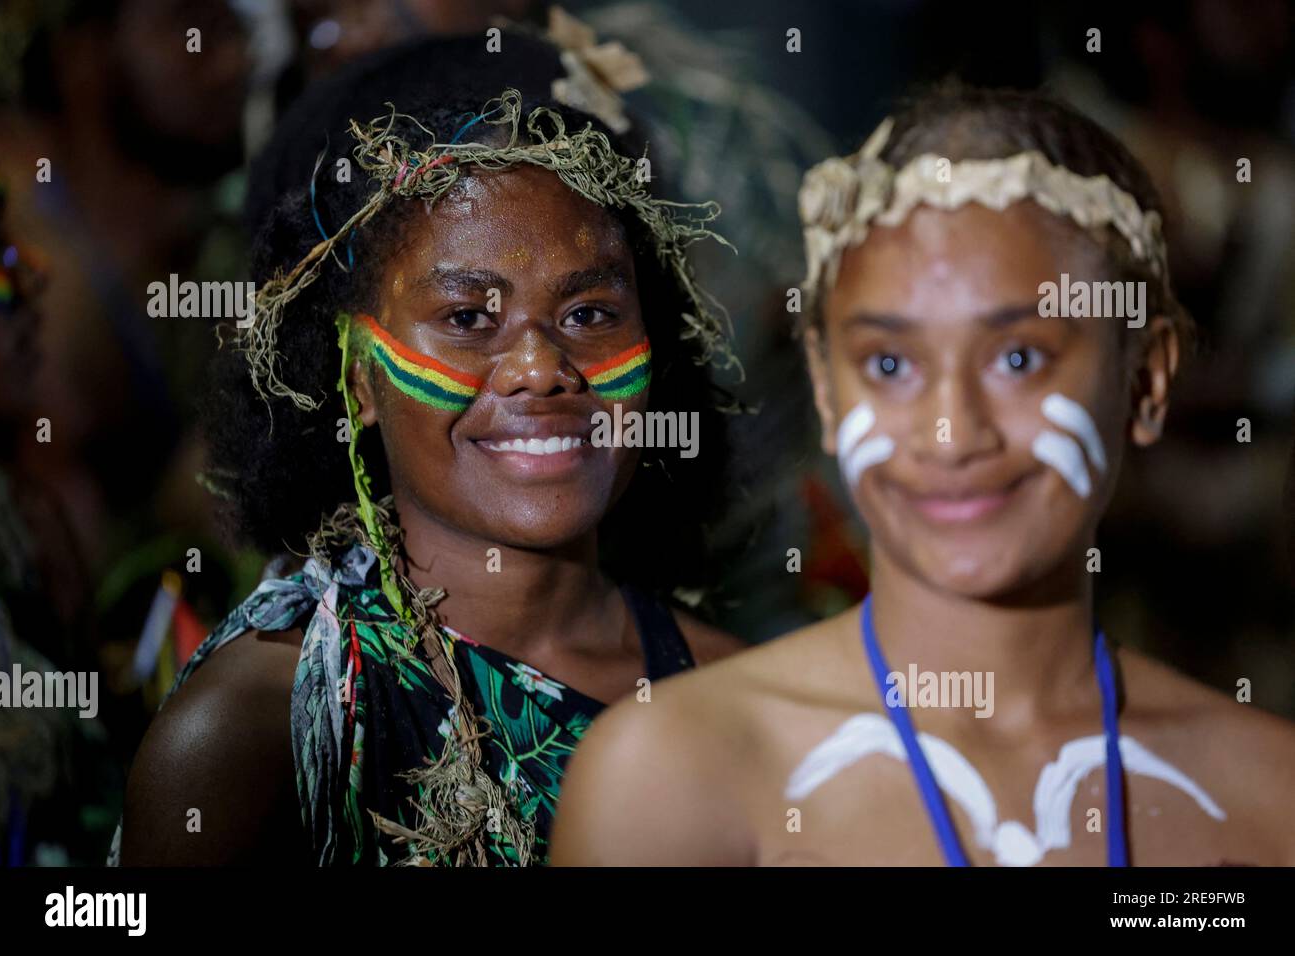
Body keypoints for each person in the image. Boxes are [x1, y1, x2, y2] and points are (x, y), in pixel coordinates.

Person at [552, 84, 1295, 867]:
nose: (953, 432)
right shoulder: (676, 775)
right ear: (830, 390)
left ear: (1146, 380)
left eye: (1019, 359)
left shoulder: (1269, 794)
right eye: (890, 363)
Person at [115, 35, 742, 867]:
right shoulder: (261, 727)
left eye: (590, 314)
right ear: (358, 377)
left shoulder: (737, 697)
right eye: (468, 319)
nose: (540, 370)